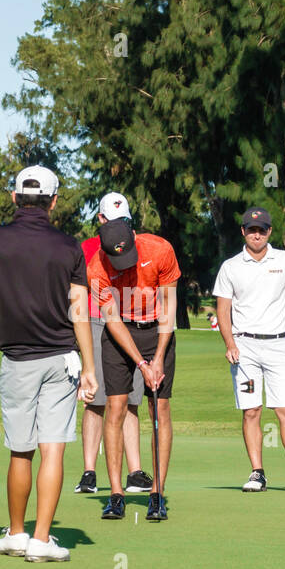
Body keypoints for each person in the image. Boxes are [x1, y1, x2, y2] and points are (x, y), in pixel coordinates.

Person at [0, 165, 97, 562]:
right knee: (53, 450)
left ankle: (15, 533)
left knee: (20, 450)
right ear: (53, 201)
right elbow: (79, 310)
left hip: (17, 360)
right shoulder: (69, 246)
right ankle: (41, 540)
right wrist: (91, 369)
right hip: (62, 359)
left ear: (14, 198)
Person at [212, 206, 285, 493]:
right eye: (251, 229)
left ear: (270, 231)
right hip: (244, 348)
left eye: (261, 230)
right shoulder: (231, 266)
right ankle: (257, 473)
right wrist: (230, 344)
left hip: (278, 345)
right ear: (243, 232)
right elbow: (223, 308)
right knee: (251, 411)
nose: (256, 234)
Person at [87, 208, 179, 521]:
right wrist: (142, 364)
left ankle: (157, 494)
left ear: (134, 237)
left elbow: (169, 308)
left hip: (157, 330)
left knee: (160, 408)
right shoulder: (96, 267)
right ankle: (116, 494)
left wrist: (158, 356)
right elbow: (111, 319)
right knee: (115, 406)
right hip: (119, 333)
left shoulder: (161, 250)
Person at [75, 193, 150, 497]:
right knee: (97, 401)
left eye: (124, 221)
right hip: (95, 321)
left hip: (130, 322)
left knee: (131, 400)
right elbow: (78, 297)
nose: (119, 226)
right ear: (101, 220)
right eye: (113, 220)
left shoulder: (139, 242)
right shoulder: (87, 248)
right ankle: (89, 472)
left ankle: (134, 472)